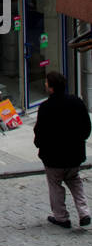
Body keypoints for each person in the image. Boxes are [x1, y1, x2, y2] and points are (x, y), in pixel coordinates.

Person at [33, 70, 91, 229]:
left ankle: (61, 217)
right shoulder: (77, 102)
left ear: (51, 88)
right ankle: (84, 212)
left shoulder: (45, 107)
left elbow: (40, 131)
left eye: (46, 83)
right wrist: (80, 141)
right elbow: (87, 126)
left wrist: (39, 145)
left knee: (55, 186)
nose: (45, 85)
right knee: (75, 181)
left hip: (53, 158)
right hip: (74, 156)